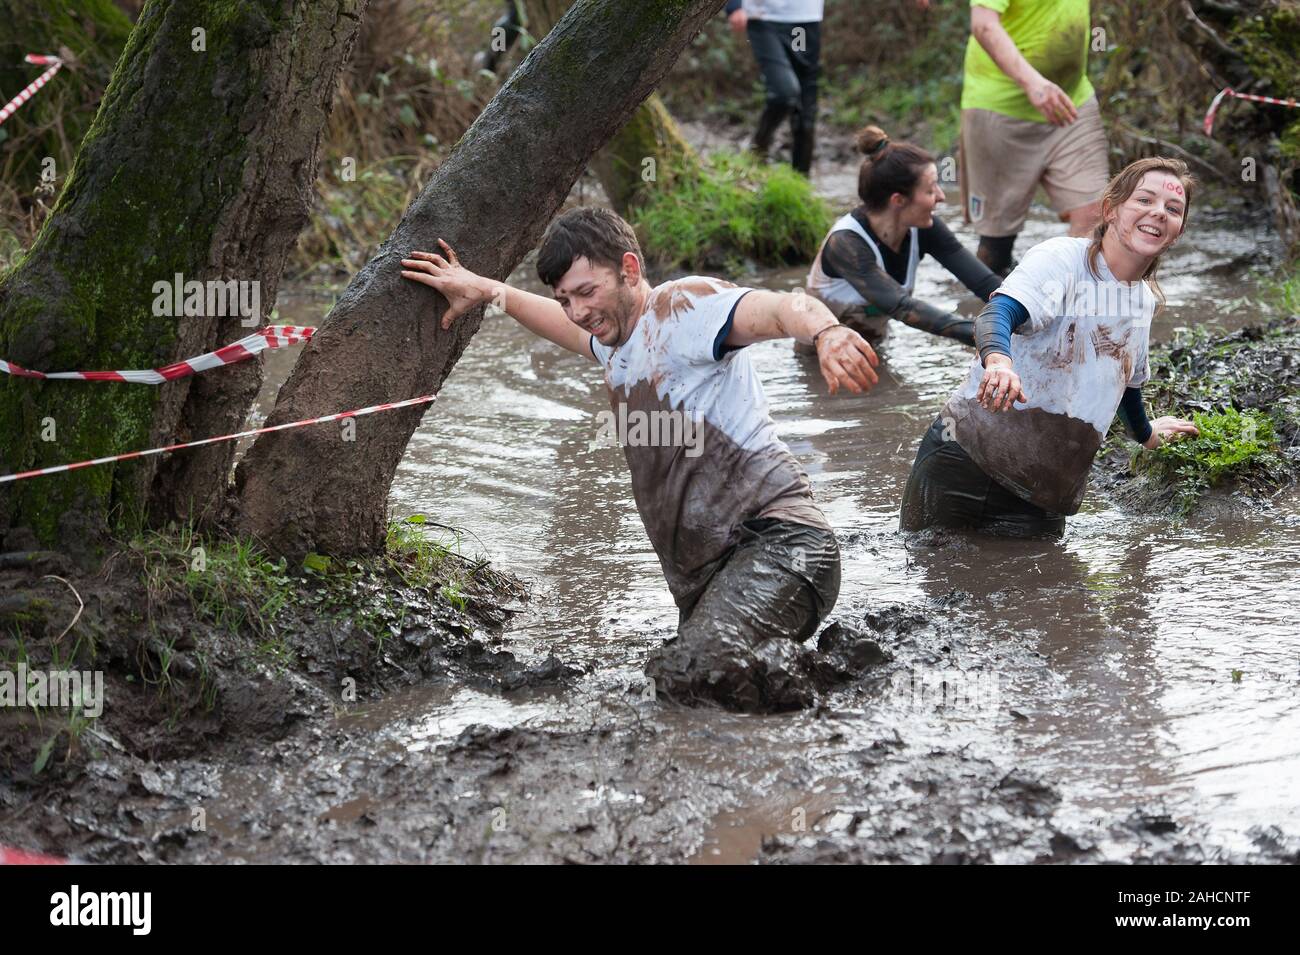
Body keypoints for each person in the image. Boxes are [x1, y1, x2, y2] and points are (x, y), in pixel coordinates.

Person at [399, 207, 880, 710]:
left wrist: (827, 332)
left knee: (685, 677)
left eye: (587, 292)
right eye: (566, 299)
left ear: (629, 269)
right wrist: (486, 289)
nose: (578, 311)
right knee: (692, 692)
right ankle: (818, 708)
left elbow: (780, 307)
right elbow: (547, 319)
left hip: (781, 544)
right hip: (707, 578)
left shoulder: (683, 309)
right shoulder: (615, 346)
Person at [900, 157, 1200, 536]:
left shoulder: (1143, 301)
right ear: (1110, 209)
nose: (1158, 213)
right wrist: (999, 363)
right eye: (1144, 200)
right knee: (930, 581)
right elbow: (999, 313)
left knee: (1045, 591)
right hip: (964, 465)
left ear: (1177, 231)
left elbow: (1125, 385)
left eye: (1172, 209)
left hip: (1043, 495)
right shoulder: (1062, 259)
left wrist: (1147, 435)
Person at [805, 125, 1002, 351]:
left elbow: (984, 283)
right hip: (822, 357)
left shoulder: (924, 226)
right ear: (898, 200)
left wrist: (1022, 309)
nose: (941, 196)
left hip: (873, 345)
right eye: (930, 190)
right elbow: (902, 307)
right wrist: (987, 335)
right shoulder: (846, 244)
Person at [960, 0, 1110, 276]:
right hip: (1001, 107)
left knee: (1095, 216)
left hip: (1071, 102)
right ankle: (991, 311)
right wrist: (1032, 82)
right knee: (996, 246)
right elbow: (983, 24)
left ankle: (1067, 307)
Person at [724, 1, 824, 174]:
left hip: (805, 21)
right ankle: (758, 147)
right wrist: (734, 4)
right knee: (784, 93)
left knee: (805, 112)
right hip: (764, 18)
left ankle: (800, 186)